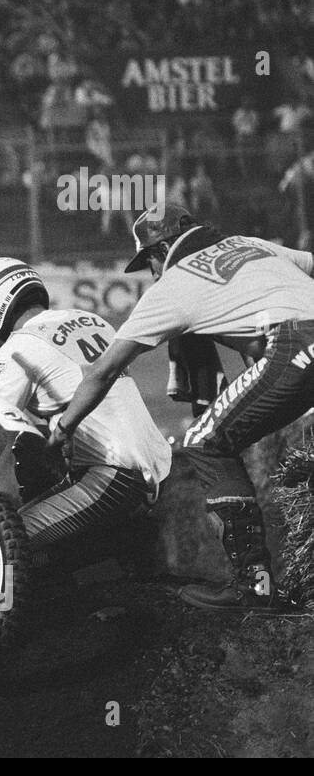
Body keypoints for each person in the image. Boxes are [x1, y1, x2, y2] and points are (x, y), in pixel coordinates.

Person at [49, 205, 314, 610]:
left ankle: (253, 585)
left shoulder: (173, 285)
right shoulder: (249, 244)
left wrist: (64, 429)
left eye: (150, 262)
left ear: (162, 250)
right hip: (297, 341)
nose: (152, 273)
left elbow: (102, 371)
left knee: (204, 442)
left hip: (296, 345)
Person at [0, 258, 172, 567]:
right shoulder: (90, 320)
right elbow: (33, 363)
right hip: (156, 465)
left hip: (112, 475)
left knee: (1, 547)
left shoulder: (15, 349)